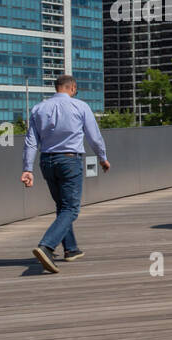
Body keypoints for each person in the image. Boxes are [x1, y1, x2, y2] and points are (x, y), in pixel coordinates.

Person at [20, 74, 111, 274]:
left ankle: (71, 249)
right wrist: (102, 157)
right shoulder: (80, 106)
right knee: (71, 209)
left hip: (46, 161)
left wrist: (28, 169)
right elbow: (94, 136)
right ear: (72, 88)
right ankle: (47, 246)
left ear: (56, 87)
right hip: (70, 160)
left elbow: (31, 141)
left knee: (62, 206)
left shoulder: (38, 108)